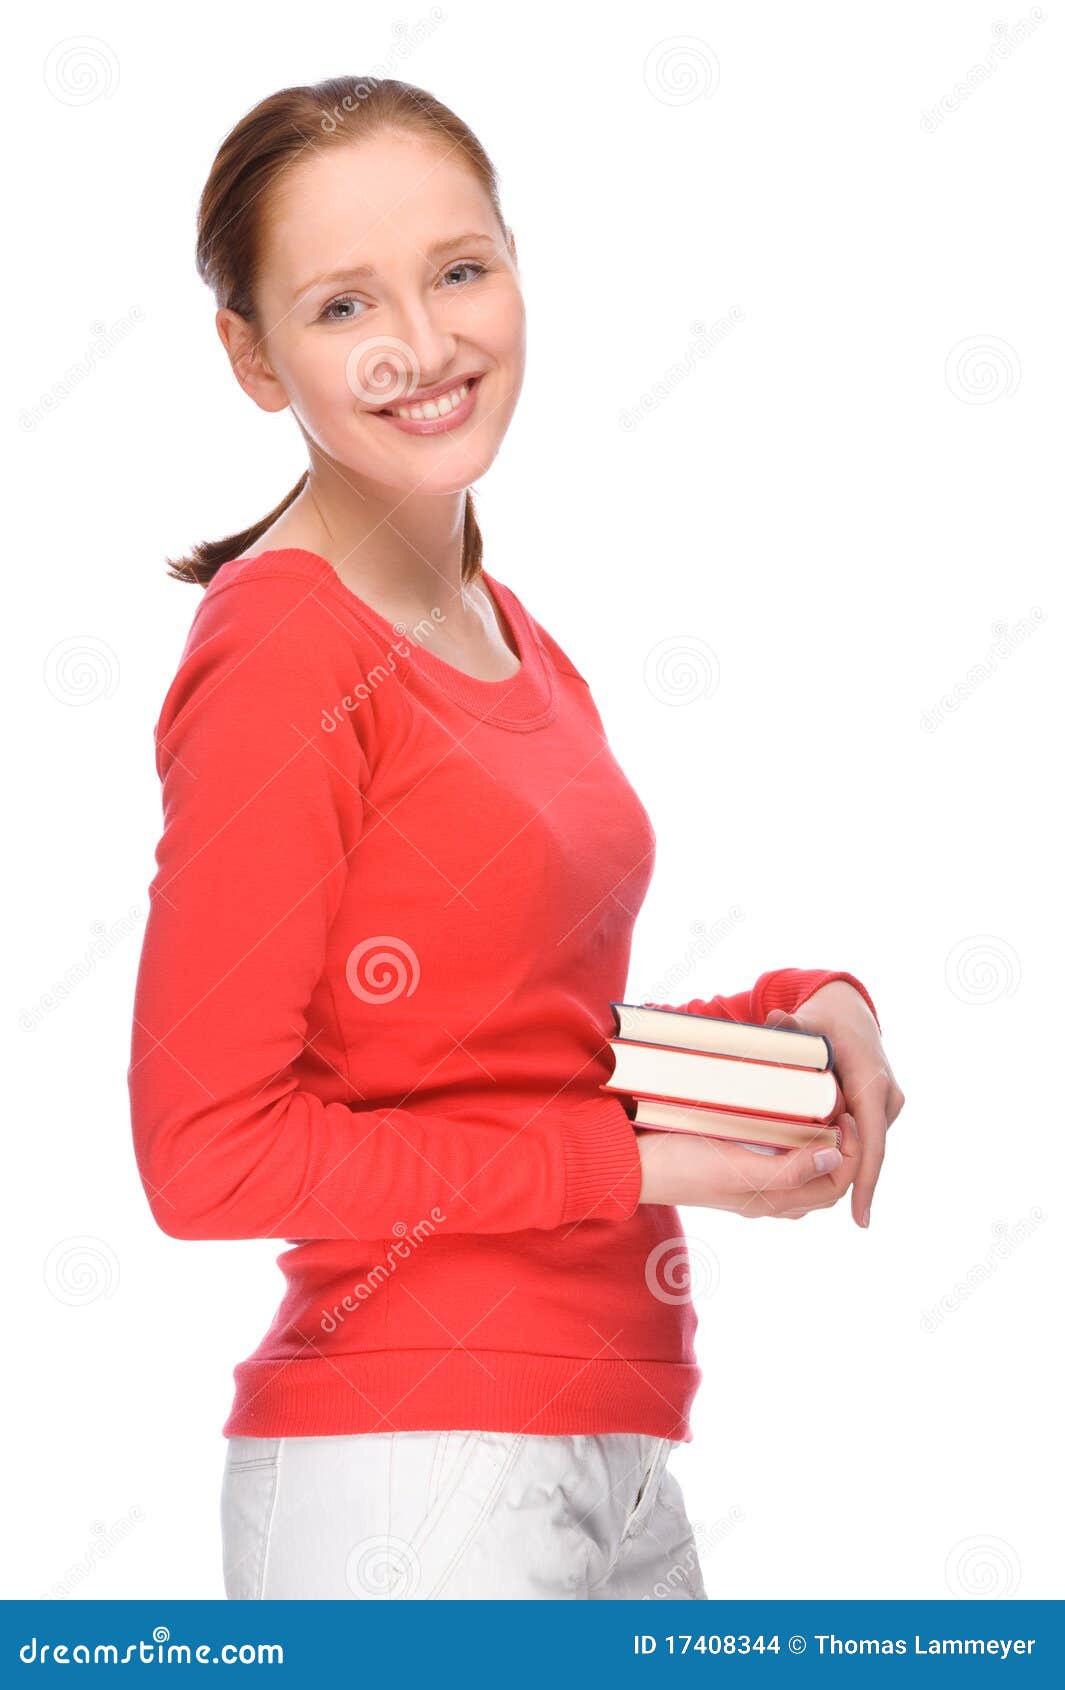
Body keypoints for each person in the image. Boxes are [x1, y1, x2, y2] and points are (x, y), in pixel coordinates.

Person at [127, 75, 905, 1601]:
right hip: (412, 1476)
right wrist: (636, 1158)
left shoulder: (501, 628)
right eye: (344, 303)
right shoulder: (285, 643)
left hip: (597, 1443)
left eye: (459, 269)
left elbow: (498, 1040)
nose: (423, 344)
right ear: (253, 357)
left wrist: (794, 1023)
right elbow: (205, 1158)